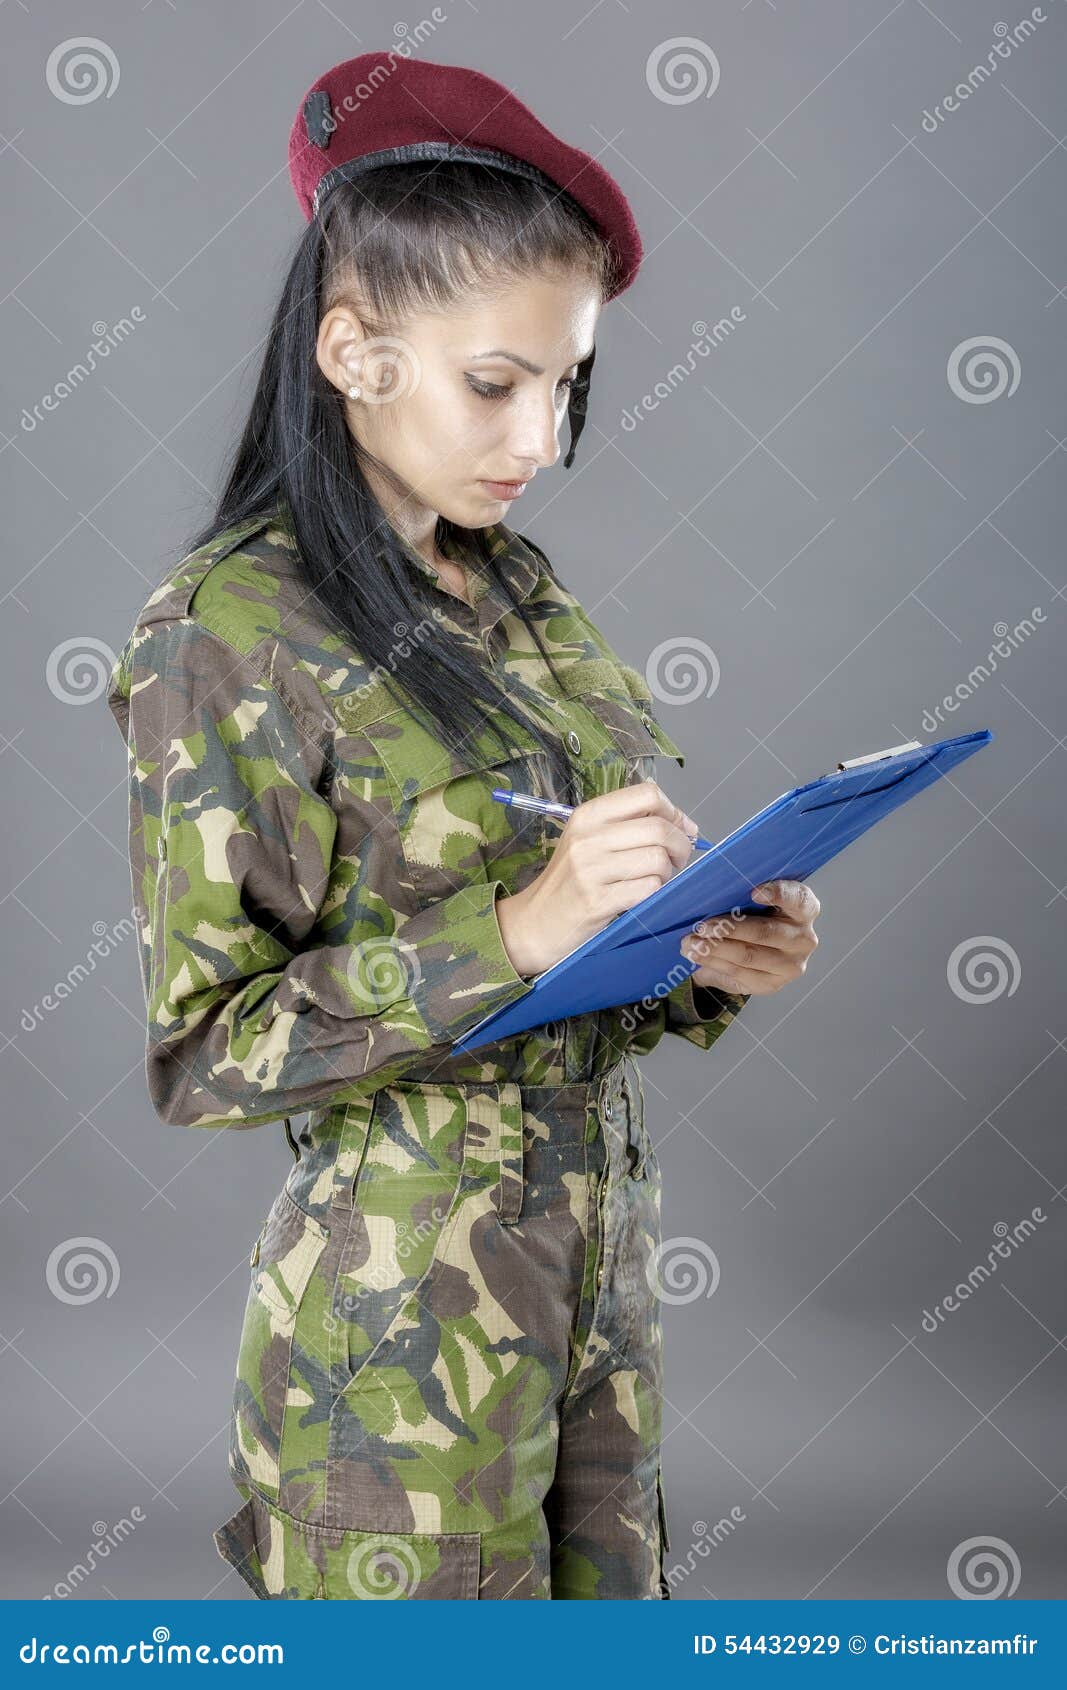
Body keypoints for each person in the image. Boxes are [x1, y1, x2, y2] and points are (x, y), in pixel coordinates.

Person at [105, 50, 820, 1601]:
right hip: (393, 1344)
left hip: (592, 1309)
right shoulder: (224, 630)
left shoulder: (518, 593)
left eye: (566, 383)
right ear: (354, 353)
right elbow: (205, 1051)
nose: (543, 437)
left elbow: (582, 941)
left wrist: (709, 951)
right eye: (496, 382)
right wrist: (518, 928)